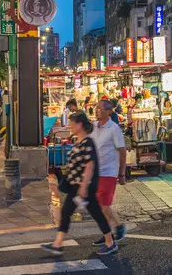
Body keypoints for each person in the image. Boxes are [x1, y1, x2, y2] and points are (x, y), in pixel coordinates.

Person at [41, 112, 118, 256]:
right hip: (76, 186)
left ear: (80, 125)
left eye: (72, 124)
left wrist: (83, 186)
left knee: (96, 213)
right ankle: (58, 244)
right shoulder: (79, 141)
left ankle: (110, 242)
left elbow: (90, 165)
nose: (70, 126)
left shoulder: (88, 142)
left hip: (85, 186)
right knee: (66, 212)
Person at [90, 100, 127, 245]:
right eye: (95, 108)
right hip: (96, 172)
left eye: (99, 108)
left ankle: (116, 228)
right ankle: (109, 232)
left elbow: (122, 152)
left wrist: (122, 173)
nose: (96, 110)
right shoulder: (93, 127)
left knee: (103, 205)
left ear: (108, 111)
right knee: (100, 205)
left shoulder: (114, 129)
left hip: (109, 172)